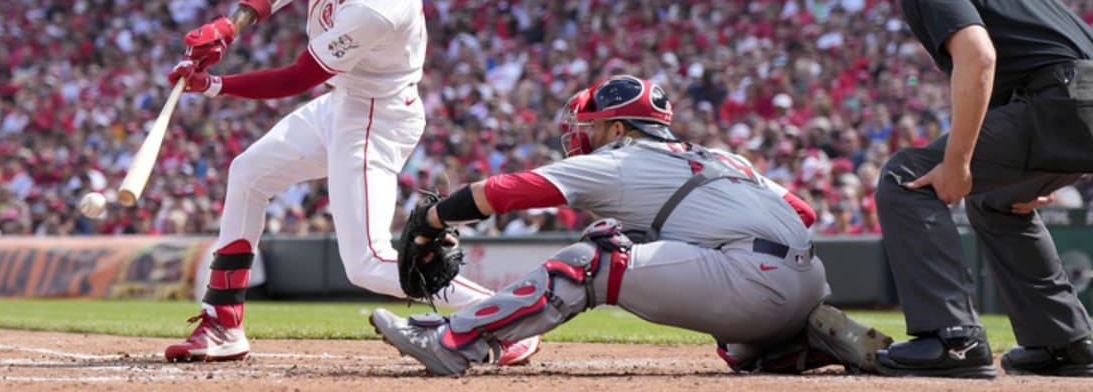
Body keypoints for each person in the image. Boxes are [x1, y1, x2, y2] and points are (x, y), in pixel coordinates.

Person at [162, 0, 538, 364]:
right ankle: (223, 323)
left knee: (366, 263)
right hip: (348, 101)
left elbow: (297, 78)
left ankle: (504, 320)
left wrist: (214, 86)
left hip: (374, 116)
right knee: (248, 173)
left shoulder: (380, 5)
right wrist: (228, 27)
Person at [369, 75, 892, 376]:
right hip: (807, 281)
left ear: (618, 127)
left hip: (752, 284)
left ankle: (456, 342)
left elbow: (505, 192)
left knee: (594, 258)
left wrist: (433, 218)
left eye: (592, 126)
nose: (583, 134)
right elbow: (802, 212)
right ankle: (807, 343)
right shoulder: (722, 157)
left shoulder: (619, 158)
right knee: (736, 349)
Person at [847, 0, 1093, 379]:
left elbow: (980, 60)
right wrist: (1031, 171)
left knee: (905, 178)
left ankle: (952, 339)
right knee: (993, 201)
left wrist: (959, 164)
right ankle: (1062, 343)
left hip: (1064, 105)